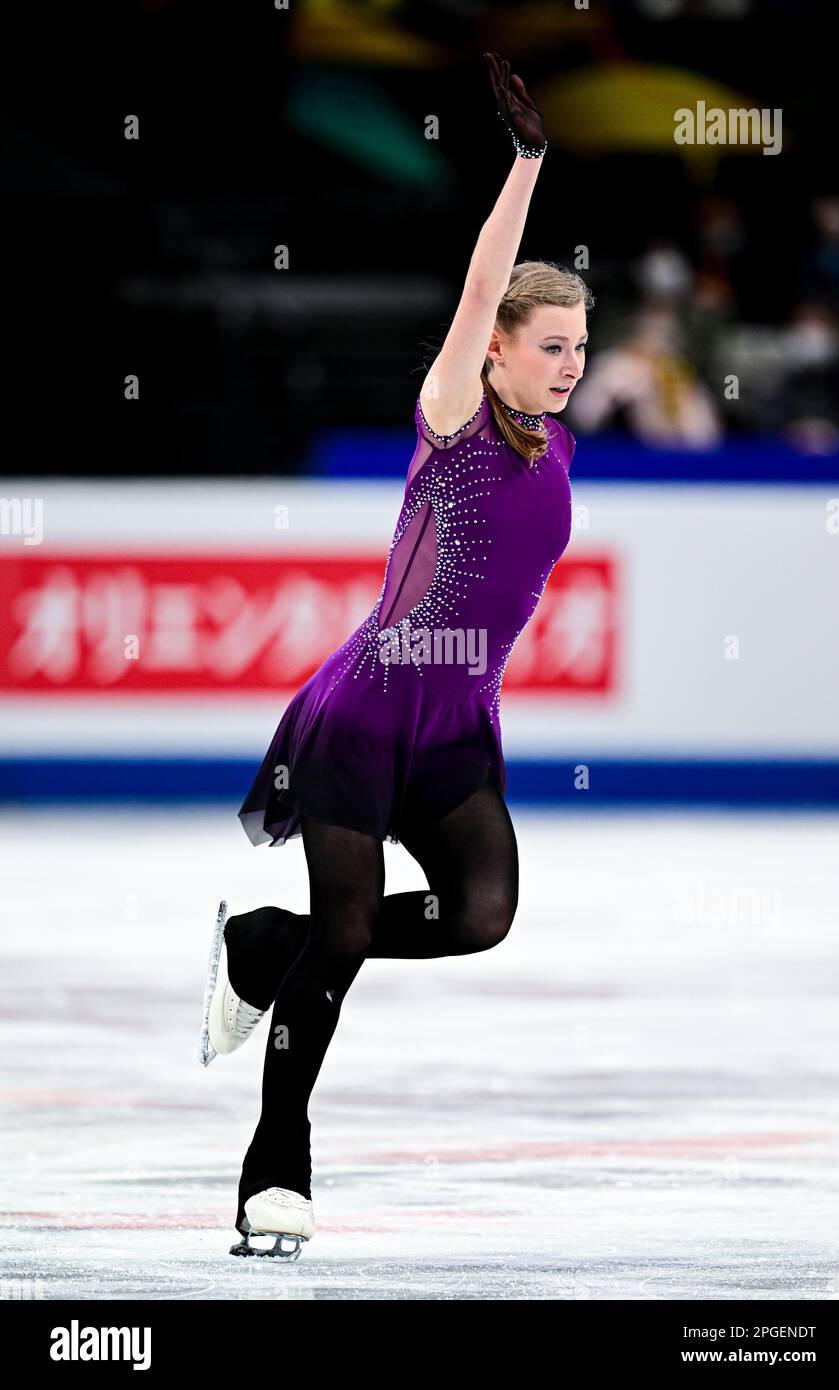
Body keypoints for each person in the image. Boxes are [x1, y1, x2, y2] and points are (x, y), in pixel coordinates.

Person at [199, 50, 594, 1258]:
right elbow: (480, 283)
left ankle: (263, 943)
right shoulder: (453, 417)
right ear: (493, 352)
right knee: (351, 936)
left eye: (579, 346)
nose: (567, 362)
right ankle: (276, 1167)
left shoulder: (553, 450)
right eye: (548, 346)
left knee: (481, 912)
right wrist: (526, 164)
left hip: (456, 725)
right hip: (368, 711)